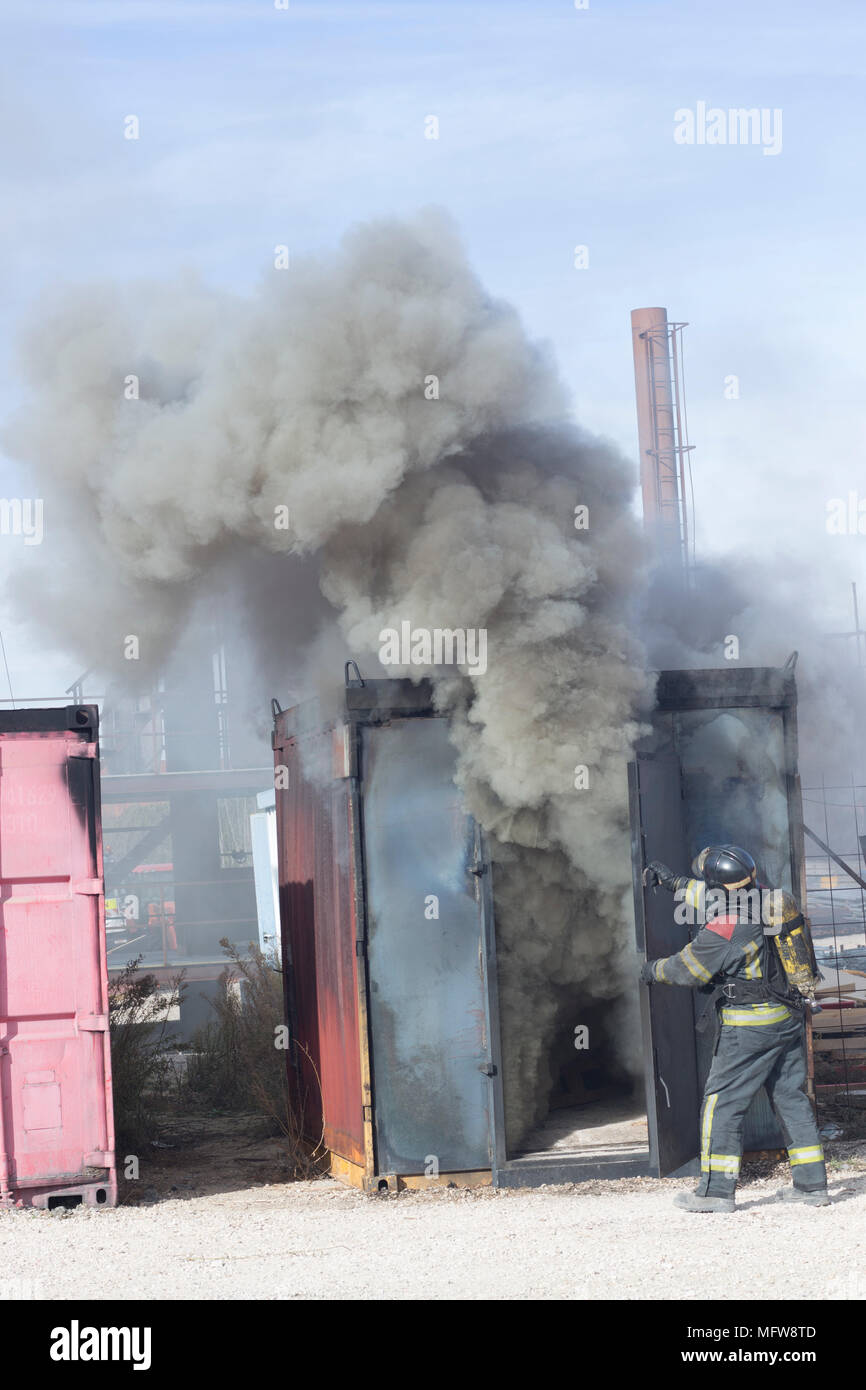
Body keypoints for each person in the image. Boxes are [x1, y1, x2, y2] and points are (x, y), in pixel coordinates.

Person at [640, 845, 830, 1213]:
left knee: (722, 1102)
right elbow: (713, 895)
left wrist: (650, 970)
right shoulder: (770, 898)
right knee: (790, 1098)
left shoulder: (727, 927)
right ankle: (812, 1186)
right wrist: (674, 883)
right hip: (788, 1018)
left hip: (750, 1026)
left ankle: (714, 1192)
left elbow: (687, 971)